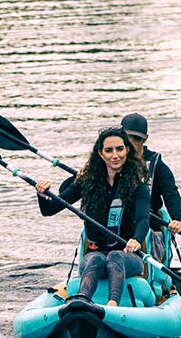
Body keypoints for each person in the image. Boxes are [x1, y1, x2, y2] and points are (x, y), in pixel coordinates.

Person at [35, 127, 150, 307]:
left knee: (115, 256)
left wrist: (137, 239)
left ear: (127, 150)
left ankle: (113, 305)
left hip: (128, 257)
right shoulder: (87, 182)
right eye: (109, 150)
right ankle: (81, 301)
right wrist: (42, 195)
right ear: (100, 154)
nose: (115, 155)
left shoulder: (138, 186)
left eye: (120, 149)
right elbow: (49, 210)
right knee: (95, 258)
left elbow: (144, 219)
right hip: (96, 254)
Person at [120, 113, 181, 258]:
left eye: (137, 139)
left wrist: (179, 219)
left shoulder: (158, 166)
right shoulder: (111, 160)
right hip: (117, 216)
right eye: (127, 138)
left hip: (148, 219)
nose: (131, 143)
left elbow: (171, 193)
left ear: (145, 139)